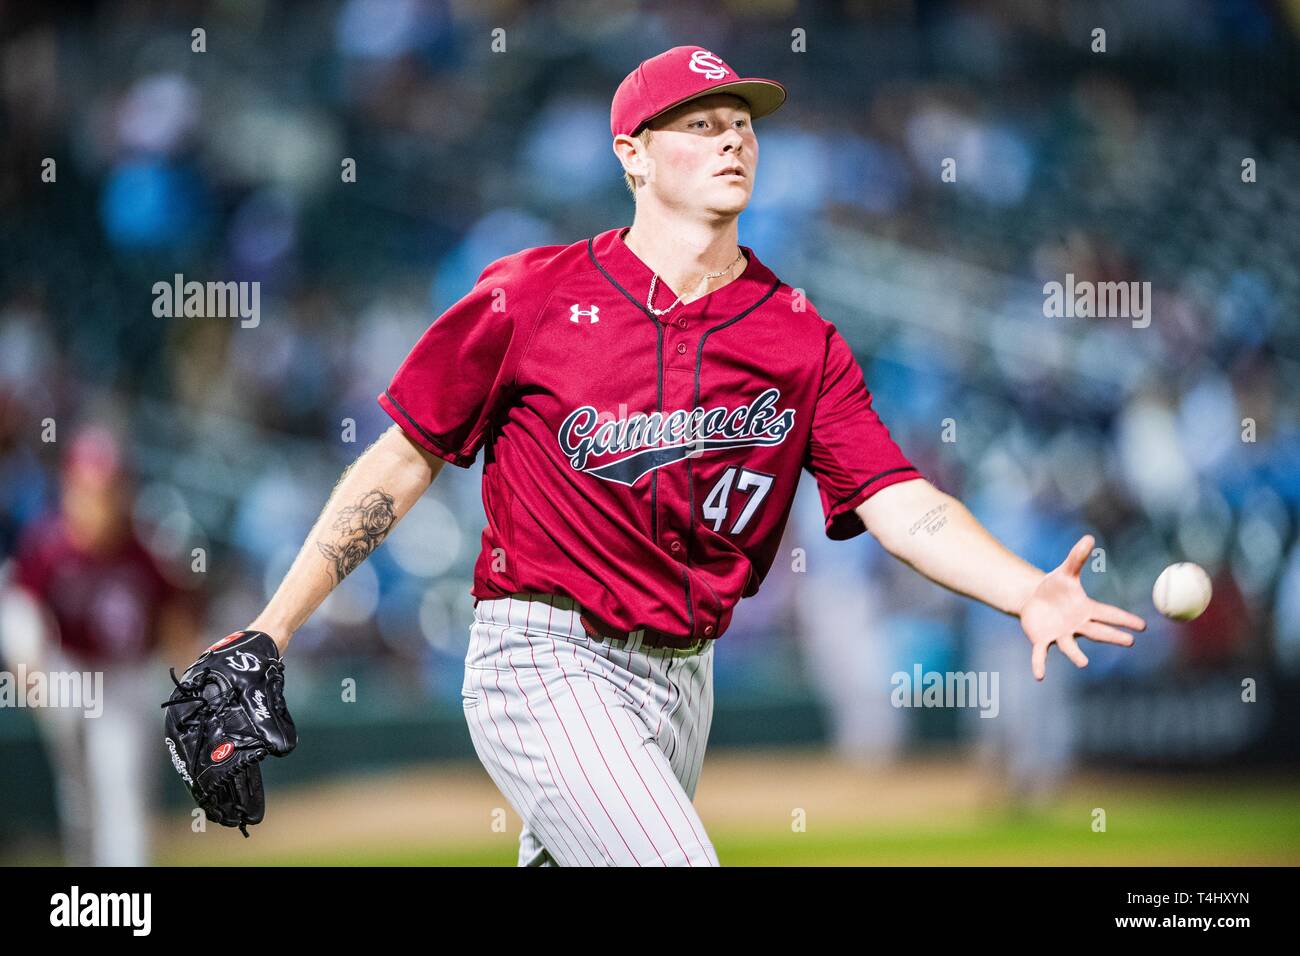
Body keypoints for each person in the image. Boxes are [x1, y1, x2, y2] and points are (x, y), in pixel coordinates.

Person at [237, 45, 1146, 866]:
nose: (732, 142)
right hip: (546, 658)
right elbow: (401, 460)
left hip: (684, 681)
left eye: (743, 126)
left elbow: (898, 500)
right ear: (631, 154)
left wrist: (1022, 587)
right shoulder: (533, 296)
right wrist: (271, 631)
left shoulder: (797, 337)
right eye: (701, 125)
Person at [2, 425, 198, 865]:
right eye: (90, 488)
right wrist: (27, 666)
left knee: (121, 789)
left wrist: (193, 685)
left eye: (109, 488)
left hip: (124, 679)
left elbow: (176, 622)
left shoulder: (144, 551)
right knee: (79, 796)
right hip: (67, 671)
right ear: (70, 489)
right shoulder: (49, 548)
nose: (100, 500)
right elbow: (18, 610)